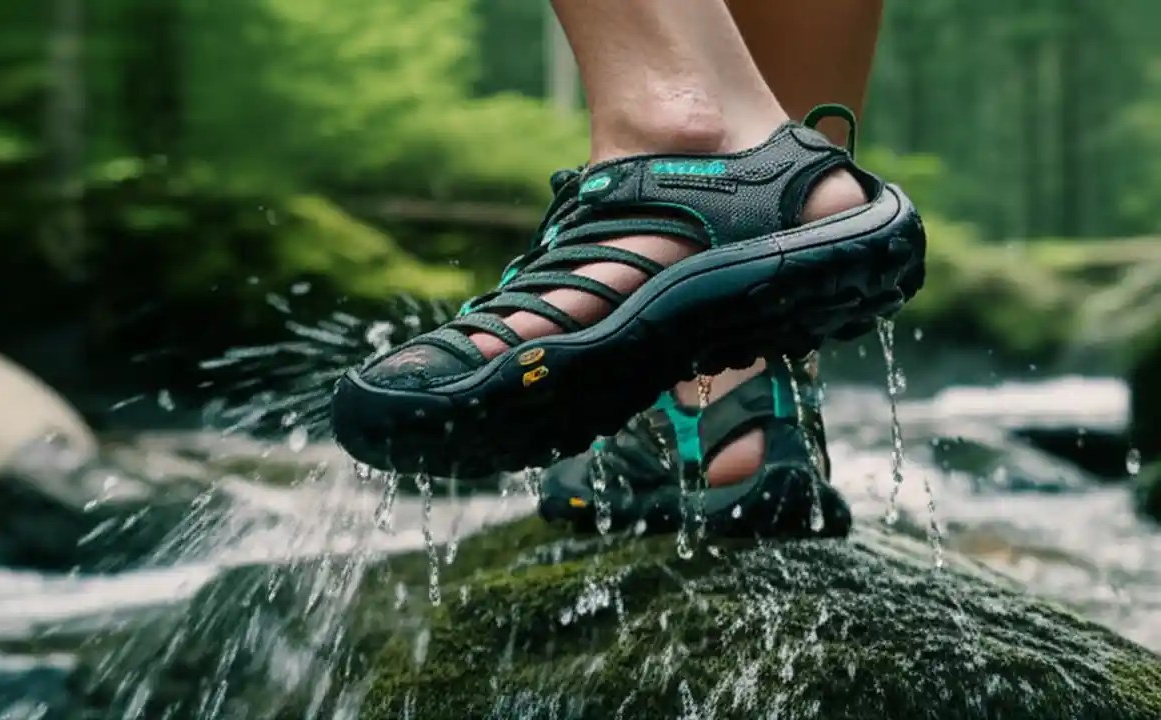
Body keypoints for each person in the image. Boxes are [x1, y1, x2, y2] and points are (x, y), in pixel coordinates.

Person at [332, 0, 922, 537]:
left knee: (693, 129)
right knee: (763, 184)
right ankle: (736, 387)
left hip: (694, 162)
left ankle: (677, 137)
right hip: (773, 208)